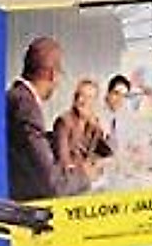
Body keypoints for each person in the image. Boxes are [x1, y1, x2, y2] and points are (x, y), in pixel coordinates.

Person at [6, 37, 96, 200]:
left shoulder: (15, 96)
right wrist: (86, 176)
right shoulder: (26, 107)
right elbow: (53, 184)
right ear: (52, 74)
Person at [52, 79, 110, 179]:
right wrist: (86, 169)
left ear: (95, 102)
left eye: (89, 97)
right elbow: (63, 162)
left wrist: (98, 163)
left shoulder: (94, 125)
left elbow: (109, 154)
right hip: (67, 180)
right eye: (81, 95)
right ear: (75, 99)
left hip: (86, 179)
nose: (83, 101)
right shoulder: (64, 121)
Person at [103, 73, 136, 151]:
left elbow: (128, 144)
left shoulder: (126, 117)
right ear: (108, 93)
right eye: (116, 93)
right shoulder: (96, 116)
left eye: (124, 96)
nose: (119, 99)